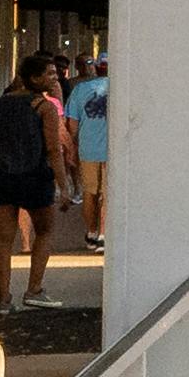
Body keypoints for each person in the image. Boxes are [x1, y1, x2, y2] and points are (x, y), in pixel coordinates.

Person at [0, 54, 72, 317]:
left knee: (2, 240)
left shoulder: (0, 104)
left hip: (2, 178)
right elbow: (53, 149)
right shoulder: (45, 107)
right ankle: (35, 289)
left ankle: (4, 298)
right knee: (45, 231)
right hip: (36, 178)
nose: (55, 78)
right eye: (49, 74)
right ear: (34, 78)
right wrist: (64, 186)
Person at [68, 51, 112, 249]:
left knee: (89, 192)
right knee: (108, 193)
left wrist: (73, 146)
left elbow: (72, 125)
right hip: (113, 150)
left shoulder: (80, 89)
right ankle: (103, 233)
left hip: (88, 148)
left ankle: (91, 232)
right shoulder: (122, 88)